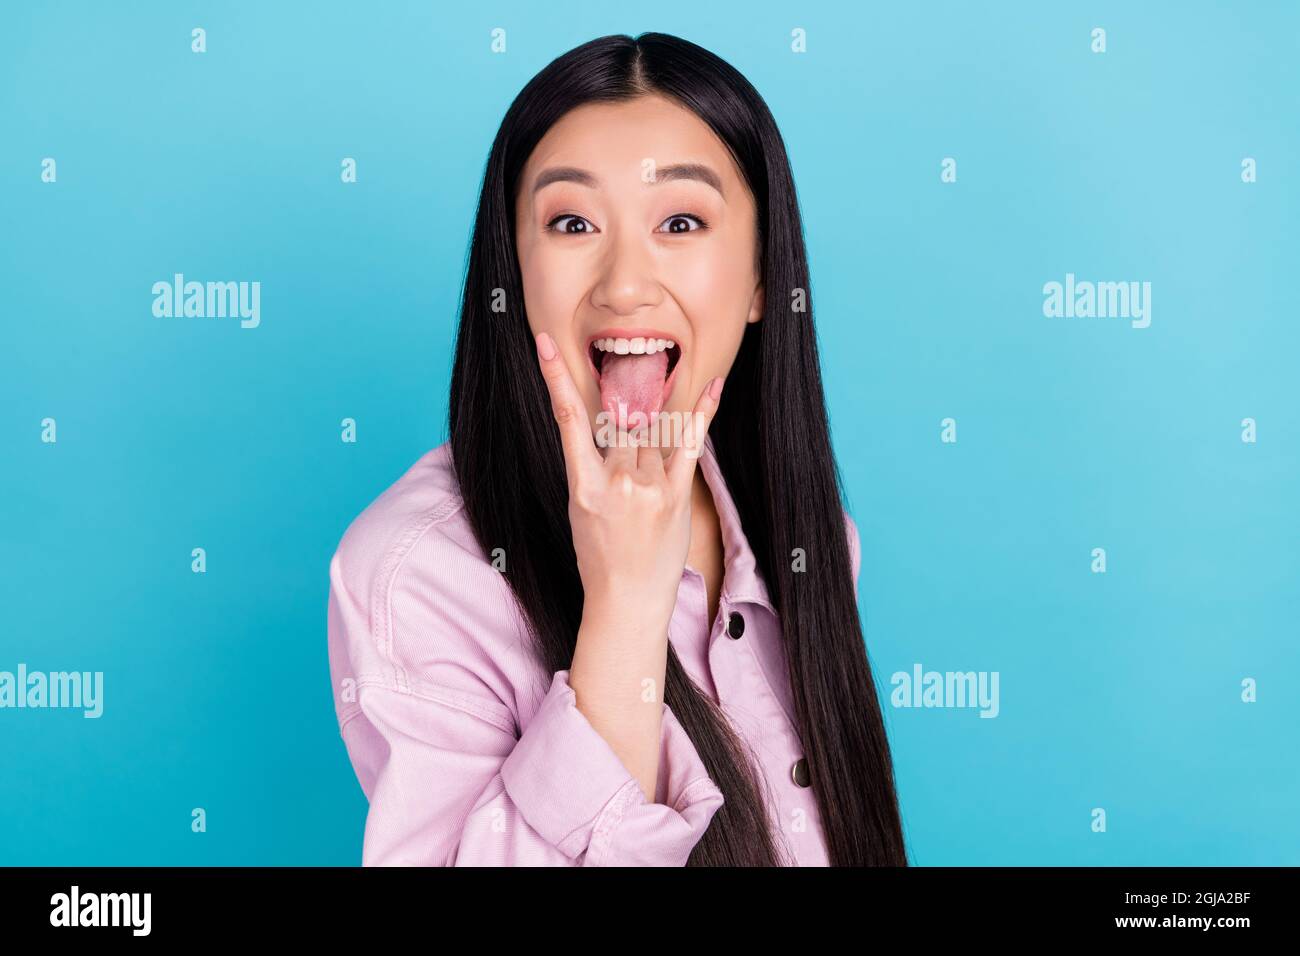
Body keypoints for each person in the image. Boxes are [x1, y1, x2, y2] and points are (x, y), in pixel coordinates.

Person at [327, 32, 907, 866]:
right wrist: (627, 606)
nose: (625, 284)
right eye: (571, 222)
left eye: (680, 220)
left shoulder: (810, 535)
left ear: (758, 280)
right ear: (513, 273)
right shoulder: (416, 572)